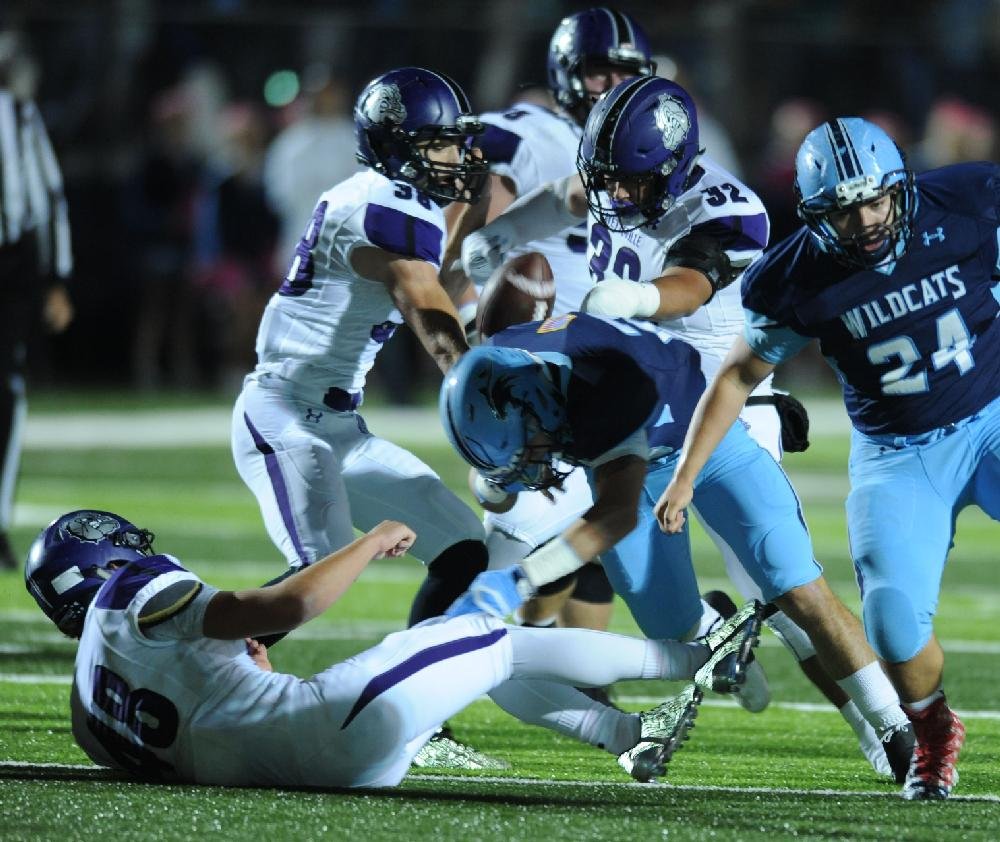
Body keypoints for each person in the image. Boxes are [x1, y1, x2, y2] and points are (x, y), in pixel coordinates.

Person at [460, 74, 903, 776]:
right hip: (635, 417)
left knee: (782, 590)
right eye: (610, 179)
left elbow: (693, 282)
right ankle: (716, 640)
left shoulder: (726, 208)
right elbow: (574, 196)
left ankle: (878, 727)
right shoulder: (616, 182)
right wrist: (508, 233)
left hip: (723, 412)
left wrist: (638, 296)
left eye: (632, 183)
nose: (617, 197)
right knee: (665, 617)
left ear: (671, 167)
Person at [656, 117, 999, 800]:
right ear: (816, 214)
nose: (868, 220)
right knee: (892, 625)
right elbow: (734, 377)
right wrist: (687, 474)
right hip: (899, 455)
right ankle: (931, 732)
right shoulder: (795, 278)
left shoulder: (968, 201)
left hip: (992, 414)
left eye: (877, 200)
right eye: (845, 211)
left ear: (899, 184)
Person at [442, 314, 917, 779]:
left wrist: (521, 580)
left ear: (535, 402)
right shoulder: (504, 360)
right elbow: (492, 418)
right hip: (638, 453)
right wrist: (495, 474)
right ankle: (715, 623)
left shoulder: (602, 393)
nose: (534, 460)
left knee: (795, 586)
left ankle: (892, 726)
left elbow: (614, 516)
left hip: (711, 442)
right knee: (675, 631)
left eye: (529, 445)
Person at [23, 508, 765, 786]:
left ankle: (628, 737)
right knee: (491, 638)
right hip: (327, 726)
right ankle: (697, 655)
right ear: (103, 566)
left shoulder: (86, 712)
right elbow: (291, 604)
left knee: (473, 663)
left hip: (306, 765)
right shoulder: (133, 591)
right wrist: (369, 541)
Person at [441, 7, 659, 639]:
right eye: (598, 71)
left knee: (596, 534)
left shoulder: (638, 138)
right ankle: (487, 651)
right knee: (521, 530)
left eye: (624, 73)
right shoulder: (531, 130)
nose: (610, 84)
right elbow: (479, 189)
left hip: (602, 353)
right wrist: (462, 285)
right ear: (567, 73)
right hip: (530, 349)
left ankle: (576, 676)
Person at [0, 31, 74, 570]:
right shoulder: (19, 114)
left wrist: (53, 278)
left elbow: (47, 198)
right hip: (18, 265)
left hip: (13, 267)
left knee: (7, 391)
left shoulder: (21, 116)